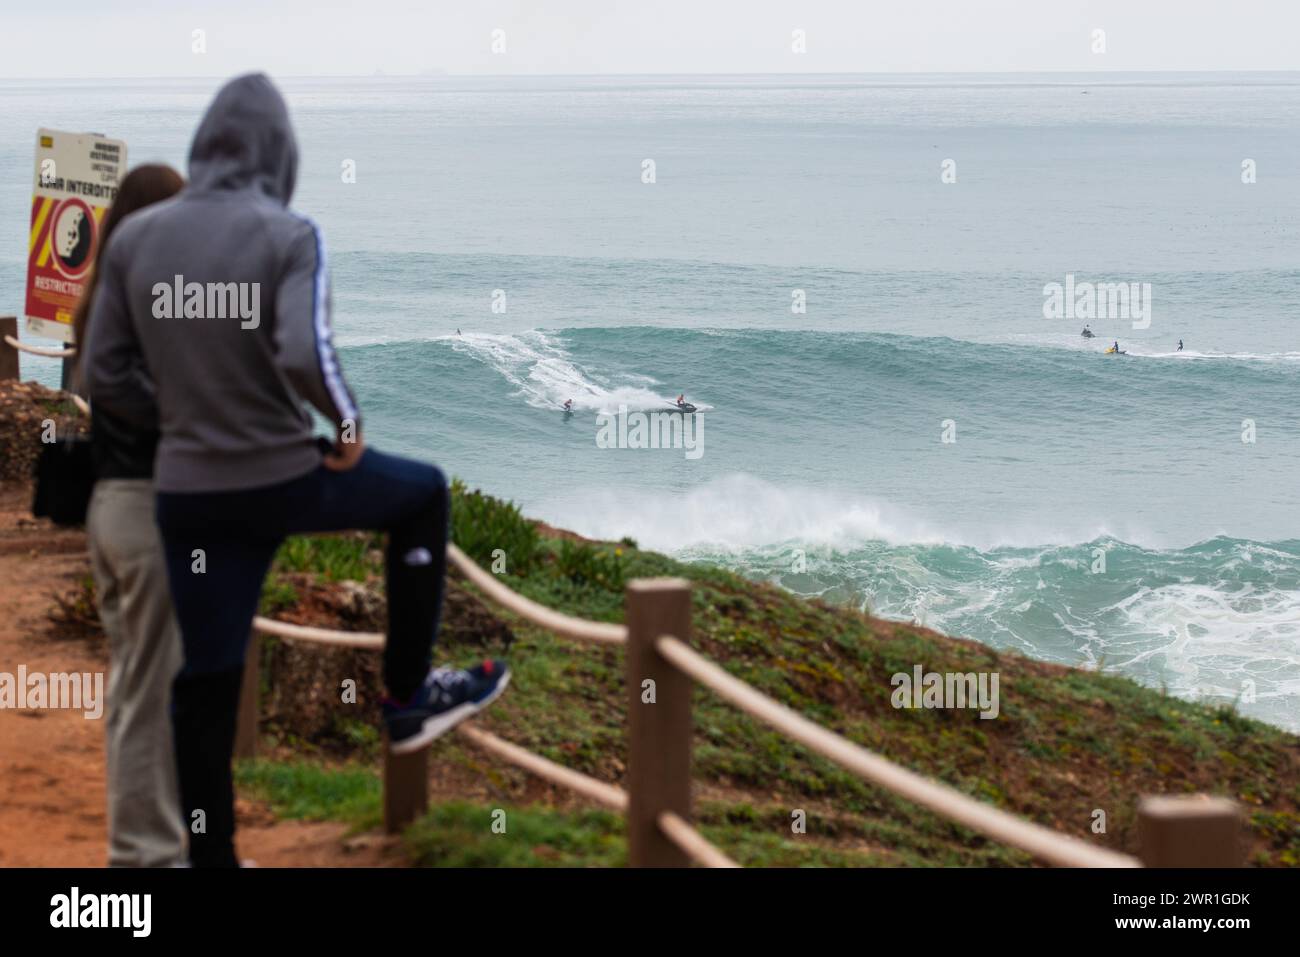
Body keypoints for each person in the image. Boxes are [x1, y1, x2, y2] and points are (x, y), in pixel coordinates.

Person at [83, 73, 510, 868]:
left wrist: (180, 419)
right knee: (422, 495)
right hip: (280, 478)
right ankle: (408, 696)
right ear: (281, 154)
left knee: (204, 684)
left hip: (186, 497)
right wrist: (345, 420)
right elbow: (299, 350)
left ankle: (209, 858)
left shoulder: (138, 240)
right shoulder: (288, 235)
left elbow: (103, 375)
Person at [72, 163, 187, 867]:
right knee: (149, 690)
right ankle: (145, 855)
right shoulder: (151, 303)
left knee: (132, 687)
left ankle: (152, 842)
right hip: (147, 515)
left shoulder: (102, 301)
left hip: (107, 510)